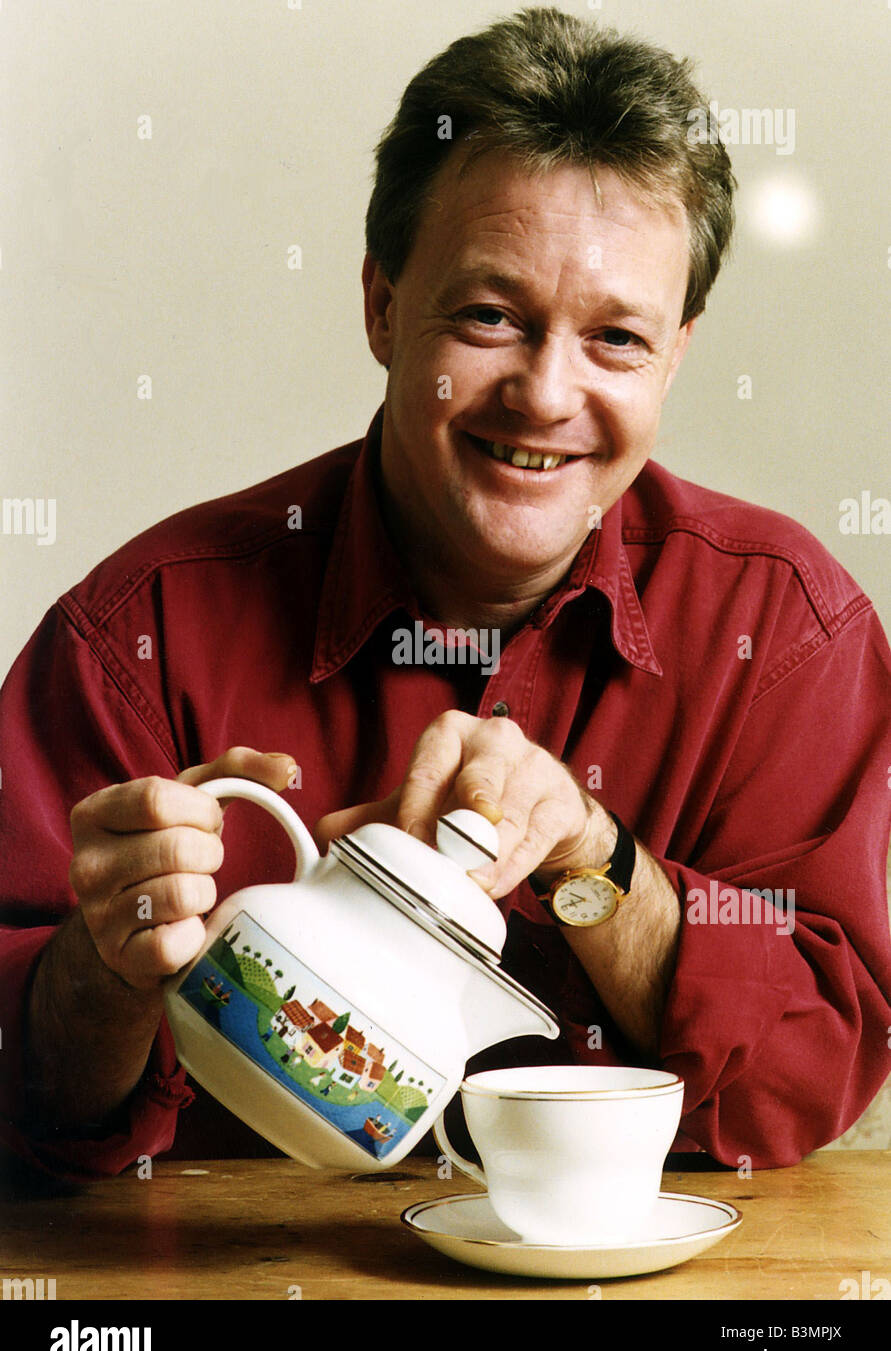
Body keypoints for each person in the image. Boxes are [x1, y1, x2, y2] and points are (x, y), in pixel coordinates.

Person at [2, 7, 890, 1184]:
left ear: (677, 353)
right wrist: (103, 971)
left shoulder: (780, 629)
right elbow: (21, 1099)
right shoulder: (142, 634)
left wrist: (593, 861)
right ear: (380, 306)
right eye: (489, 317)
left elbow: (816, 1074)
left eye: (616, 339)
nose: (544, 394)